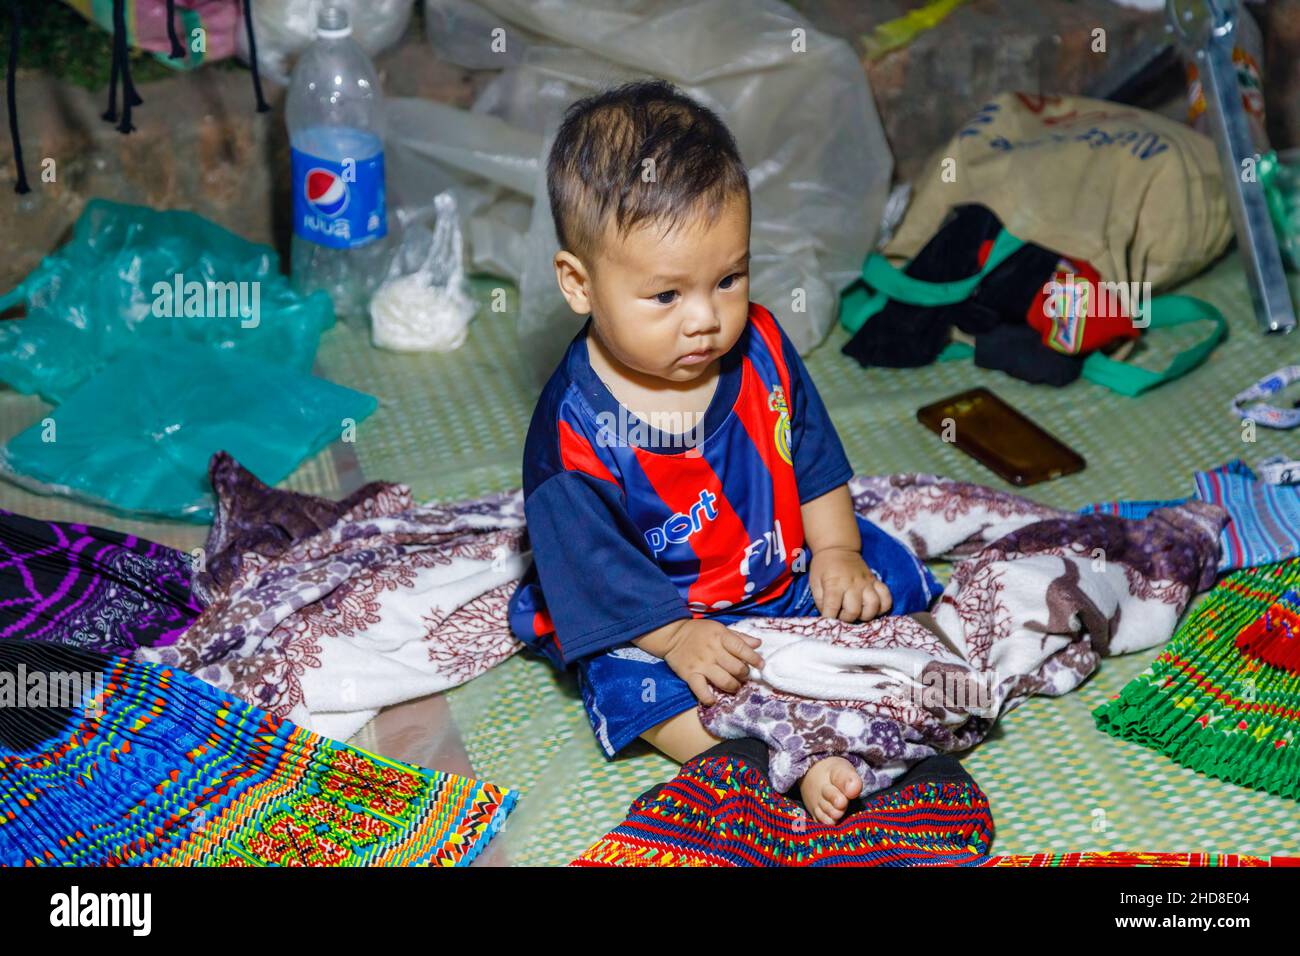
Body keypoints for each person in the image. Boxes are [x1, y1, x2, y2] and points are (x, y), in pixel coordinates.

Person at [508, 79, 939, 824]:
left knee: (893, 574)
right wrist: (675, 637)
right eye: (666, 297)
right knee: (628, 688)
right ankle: (771, 758)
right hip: (660, 616)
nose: (707, 318)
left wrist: (835, 551)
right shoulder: (573, 439)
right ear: (579, 284)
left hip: (784, 577)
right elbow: (596, 573)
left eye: (729, 278)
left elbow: (811, 453)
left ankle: (887, 702)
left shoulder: (763, 347)